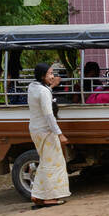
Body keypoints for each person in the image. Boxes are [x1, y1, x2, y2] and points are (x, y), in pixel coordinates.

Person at [27, 62, 70, 208]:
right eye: (50, 74)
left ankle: (39, 195)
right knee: (52, 164)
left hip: (36, 130)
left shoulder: (33, 87)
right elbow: (49, 115)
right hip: (46, 131)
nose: (52, 76)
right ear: (42, 76)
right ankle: (46, 197)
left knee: (46, 162)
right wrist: (60, 134)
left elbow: (43, 96)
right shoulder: (43, 91)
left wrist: (51, 86)